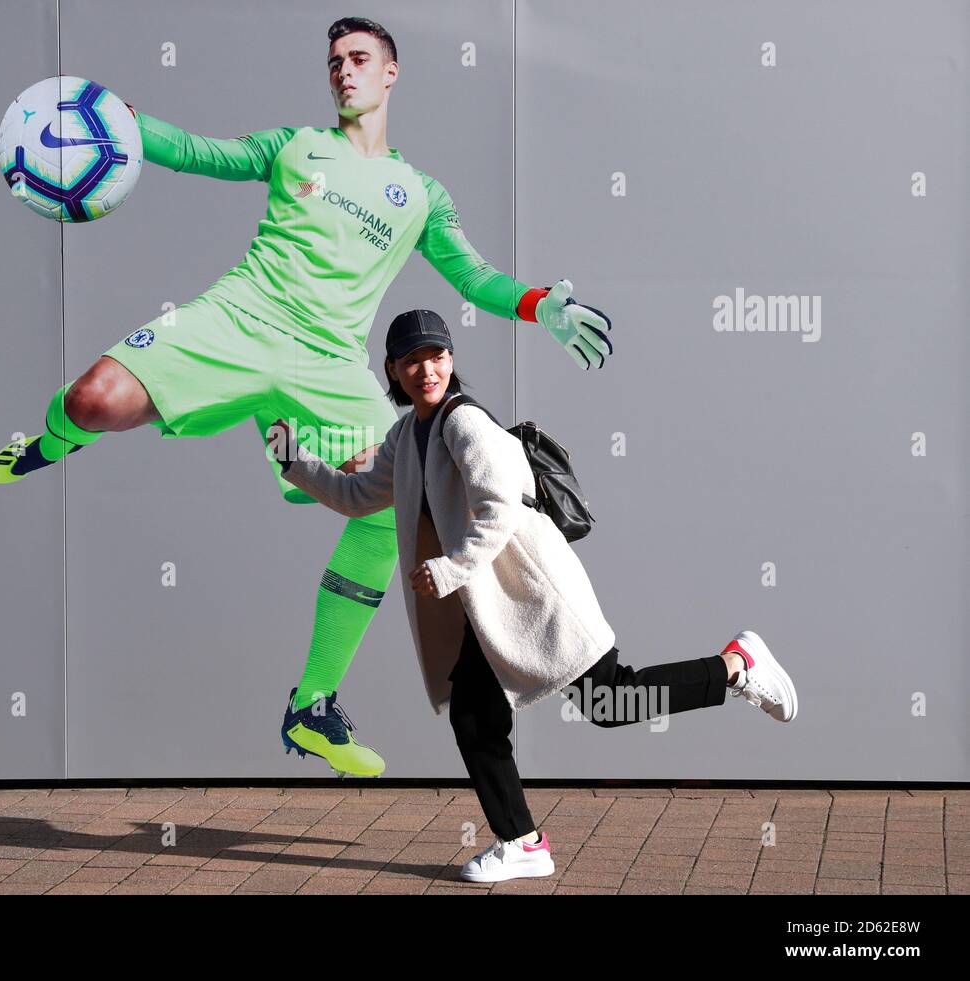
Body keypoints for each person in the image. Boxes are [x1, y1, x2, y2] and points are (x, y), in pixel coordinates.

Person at [0, 17, 614, 778]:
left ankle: (312, 704)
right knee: (92, 401)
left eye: (358, 60)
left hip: (327, 366)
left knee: (395, 504)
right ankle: (46, 445)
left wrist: (541, 303)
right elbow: (194, 152)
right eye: (333, 63)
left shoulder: (420, 193)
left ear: (390, 74)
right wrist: (118, 123)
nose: (342, 72)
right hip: (237, 322)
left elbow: (476, 279)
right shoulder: (293, 146)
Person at [267, 308, 799, 882]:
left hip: (537, 596)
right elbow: (357, 494)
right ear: (393, 371)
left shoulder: (462, 424)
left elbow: (498, 510)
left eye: (437, 356)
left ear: (451, 360)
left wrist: (450, 569)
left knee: (608, 703)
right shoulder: (408, 435)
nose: (427, 369)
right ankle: (522, 842)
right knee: (474, 717)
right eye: (413, 360)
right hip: (494, 608)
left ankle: (736, 667)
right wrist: (295, 461)